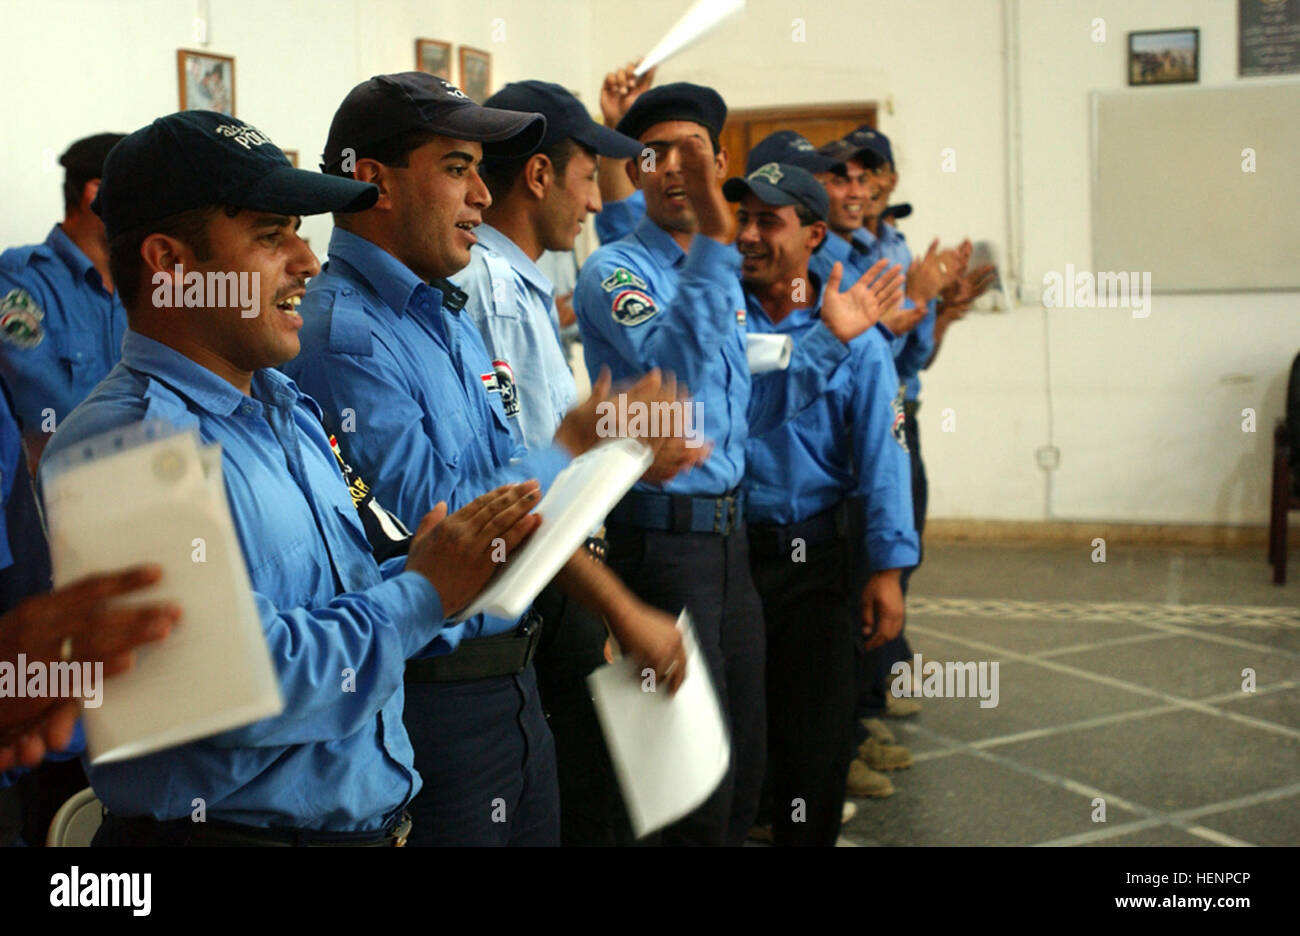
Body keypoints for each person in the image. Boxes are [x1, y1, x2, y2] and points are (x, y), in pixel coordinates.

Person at [39, 110, 541, 846]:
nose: (307, 262)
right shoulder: (127, 444)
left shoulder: (281, 404)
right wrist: (422, 594)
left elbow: (334, 600)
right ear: (172, 265)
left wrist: (449, 574)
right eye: (272, 236)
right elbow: (229, 684)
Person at [285, 73, 689, 846]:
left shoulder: (442, 311)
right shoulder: (346, 337)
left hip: (509, 677)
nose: (481, 196)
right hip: (438, 698)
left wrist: (603, 460)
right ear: (373, 183)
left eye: (480, 168)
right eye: (456, 168)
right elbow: (454, 525)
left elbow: (513, 478)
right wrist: (573, 441)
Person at [572, 83, 887, 846]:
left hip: (728, 549)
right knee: (683, 796)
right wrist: (714, 254)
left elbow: (739, 413)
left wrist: (827, 342)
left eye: (692, 152)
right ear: (638, 171)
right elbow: (668, 380)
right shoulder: (617, 272)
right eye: (655, 154)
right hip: (662, 546)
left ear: (718, 162)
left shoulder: (717, 281)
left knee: (741, 778)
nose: (675, 169)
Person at [451, 79, 677, 845]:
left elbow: (551, 455)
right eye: (587, 177)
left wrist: (627, 450)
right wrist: (612, 606)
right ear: (541, 175)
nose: (592, 204)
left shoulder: (521, 282)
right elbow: (516, 489)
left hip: (558, 562)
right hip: (543, 576)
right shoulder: (492, 290)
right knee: (587, 805)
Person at [728, 161, 917, 843]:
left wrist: (888, 571)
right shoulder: (719, 318)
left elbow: (883, 458)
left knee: (814, 739)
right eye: (742, 218)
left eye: (767, 221)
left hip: (818, 565)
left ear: (813, 235)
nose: (748, 234)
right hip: (727, 559)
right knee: (734, 741)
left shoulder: (858, 338)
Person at [0, 133, 127, 467]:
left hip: (148, 482)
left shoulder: (147, 286)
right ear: (95, 193)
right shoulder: (21, 279)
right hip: (64, 486)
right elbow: (41, 405)